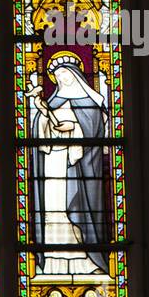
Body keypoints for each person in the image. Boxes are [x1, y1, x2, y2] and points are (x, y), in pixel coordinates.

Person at [27, 51, 109, 275]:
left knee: (76, 206)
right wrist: (44, 117)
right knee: (55, 209)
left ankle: (87, 261)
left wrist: (74, 128)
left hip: (77, 164)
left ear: (75, 73)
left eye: (65, 73)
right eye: (57, 74)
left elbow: (95, 131)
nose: (62, 78)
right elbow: (40, 132)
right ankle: (55, 262)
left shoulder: (91, 101)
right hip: (54, 162)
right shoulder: (53, 101)